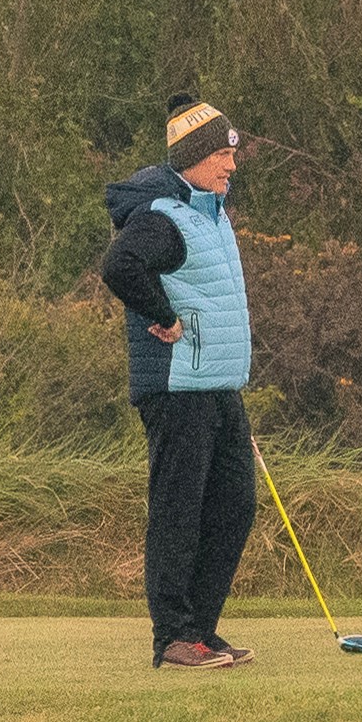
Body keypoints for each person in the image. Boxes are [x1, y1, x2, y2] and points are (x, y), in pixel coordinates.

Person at [101, 95, 258, 669]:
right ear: (192, 157)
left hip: (216, 386)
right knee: (179, 509)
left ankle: (199, 631)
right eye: (221, 154)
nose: (231, 166)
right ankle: (172, 636)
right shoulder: (164, 217)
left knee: (235, 505)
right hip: (176, 387)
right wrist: (163, 317)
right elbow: (121, 267)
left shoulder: (209, 212)